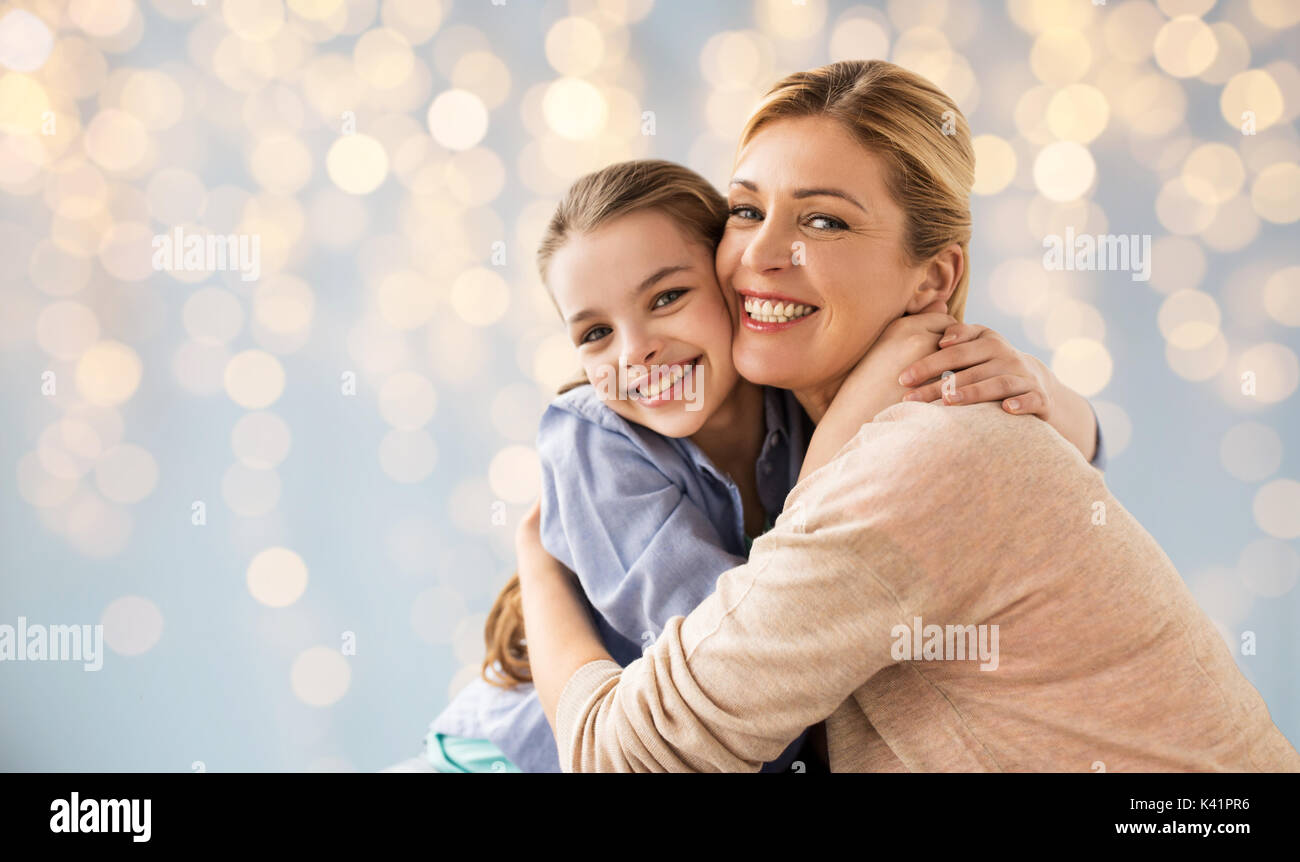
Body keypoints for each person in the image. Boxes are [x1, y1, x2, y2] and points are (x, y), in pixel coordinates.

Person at [514, 60, 1300, 772]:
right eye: (748, 211)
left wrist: (540, 570)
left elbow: (629, 760)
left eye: (823, 221)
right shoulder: (817, 416)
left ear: (932, 280)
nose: (759, 255)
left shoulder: (929, 454)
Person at [421, 151, 1106, 772]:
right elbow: (743, 683)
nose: (634, 353)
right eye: (596, 333)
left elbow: (1063, 463)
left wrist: (1046, 389)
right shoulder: (591, 445)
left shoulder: (796, 392)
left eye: (666, 298)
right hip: (516, 757)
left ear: (734, 287)